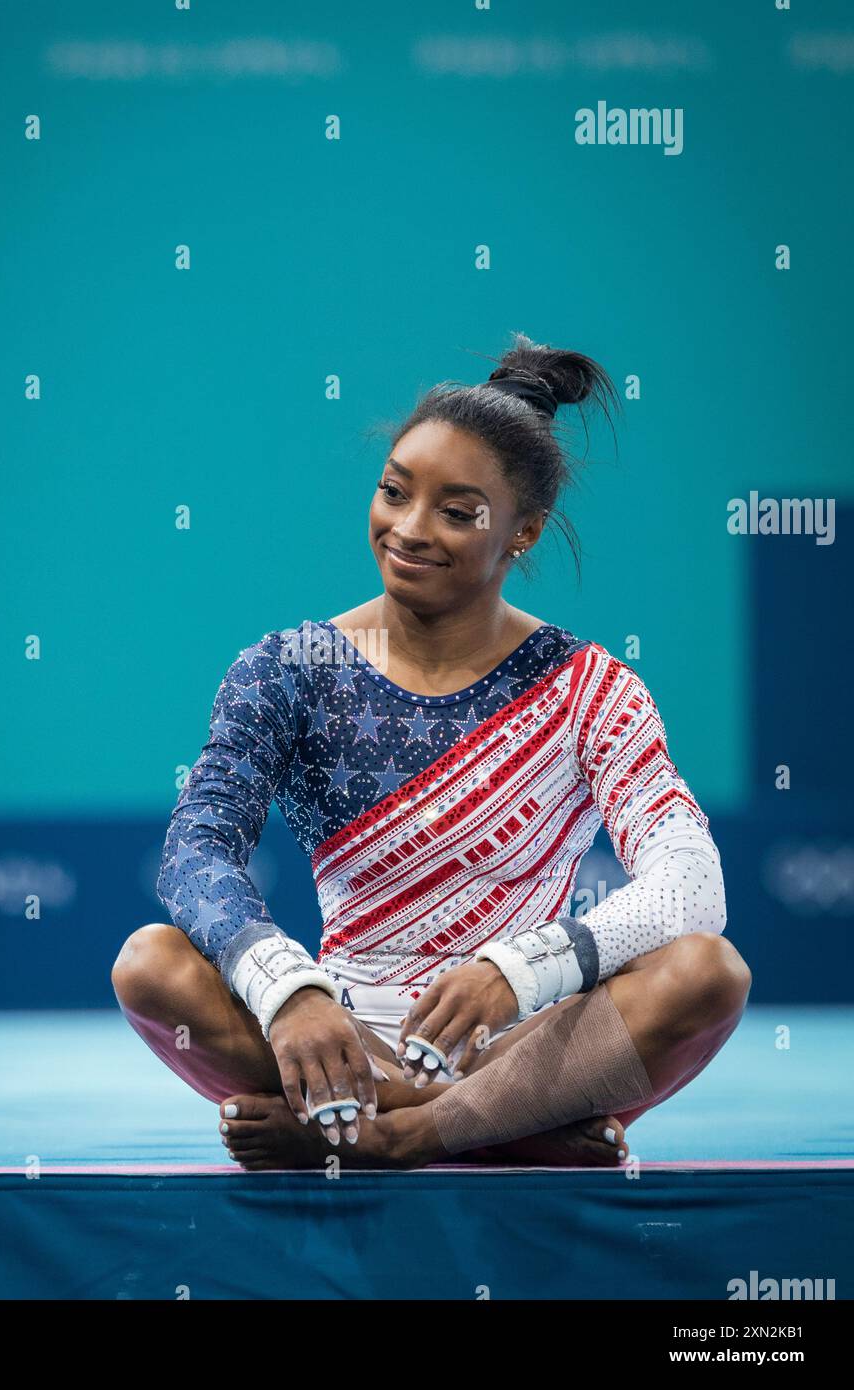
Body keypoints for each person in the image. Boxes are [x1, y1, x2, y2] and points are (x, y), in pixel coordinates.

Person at [112, 332, 751, 1170]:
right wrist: (290, 991)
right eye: (393, 493)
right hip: (337, 1038)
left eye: (457, 512)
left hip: (525, 1042)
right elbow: (195, 850)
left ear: (524, 532)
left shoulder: (591, 688)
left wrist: (520, 972)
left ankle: (390, 1133)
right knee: (149, 964)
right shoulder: (289, 668)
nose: (409, 530)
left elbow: (693, 884)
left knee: (709, 975)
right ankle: (495, 1129)